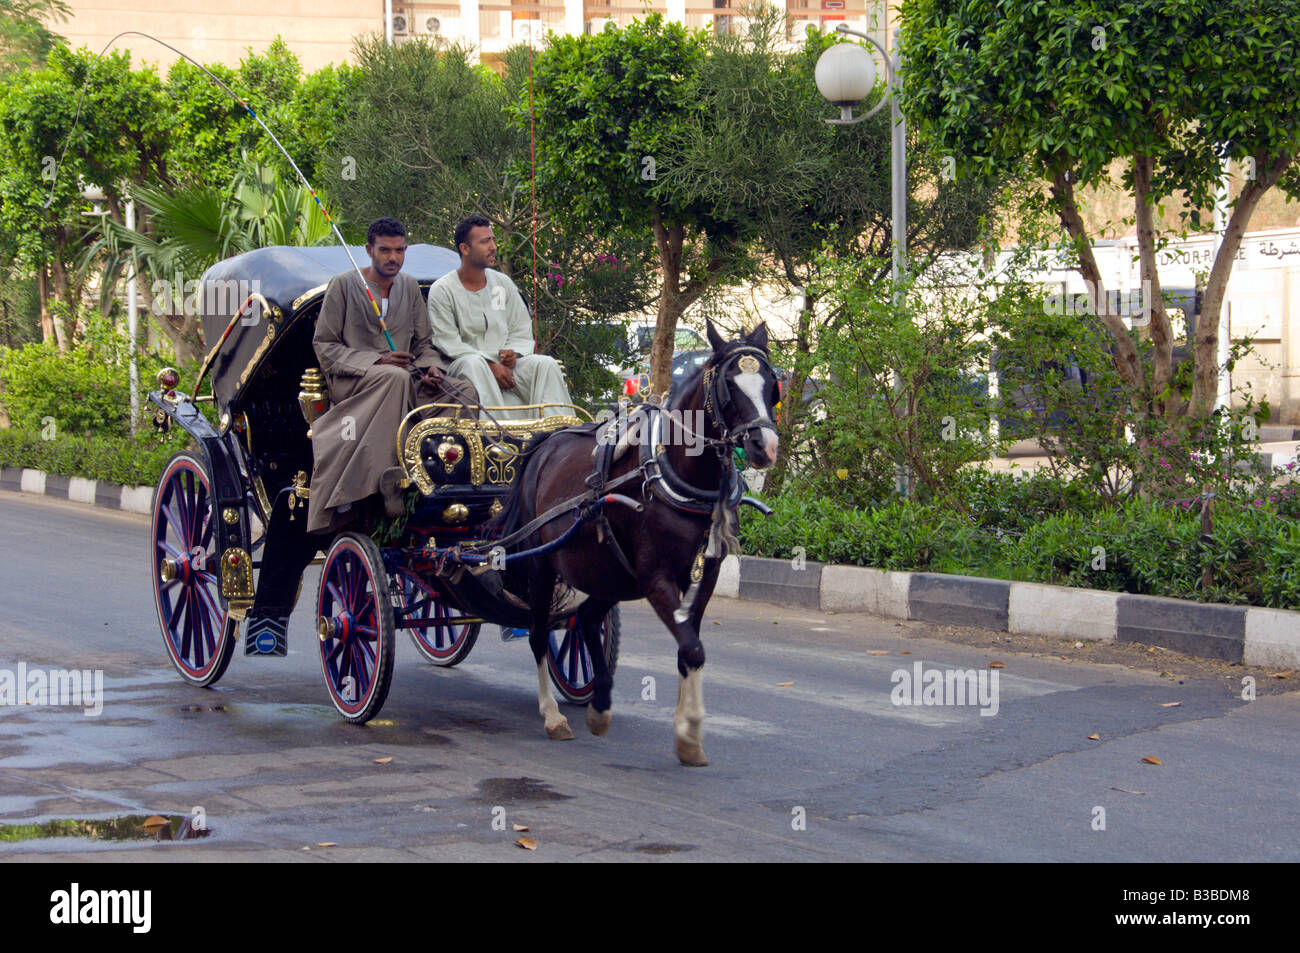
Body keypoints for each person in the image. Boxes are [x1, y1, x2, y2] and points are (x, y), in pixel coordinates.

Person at [308, 217, 478, 533]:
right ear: (369, 249)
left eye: (399, 251)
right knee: (394, 378)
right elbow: (325, 346)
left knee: (463, 389)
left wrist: (431, 368)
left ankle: (451, 475)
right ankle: (391, 476)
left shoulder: (409, 287)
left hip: (406, 378)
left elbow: (423, 344)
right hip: (355, 382)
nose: (393, 258)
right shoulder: (344, 285)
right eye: (385, 250)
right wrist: (378, 360)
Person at [426, 215, 572, 421]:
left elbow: (520, 329)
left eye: (493, 239)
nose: (493, 247)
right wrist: (490, 364)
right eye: (485, 241)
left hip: (507, 367)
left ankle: (558, 434)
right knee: (475, 364)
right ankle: (501, 439)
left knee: (545, 364)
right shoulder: (443, 290)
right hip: (462, 366)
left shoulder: (501, 284)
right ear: (465, 249)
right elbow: (448, 342)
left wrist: (513, 352)